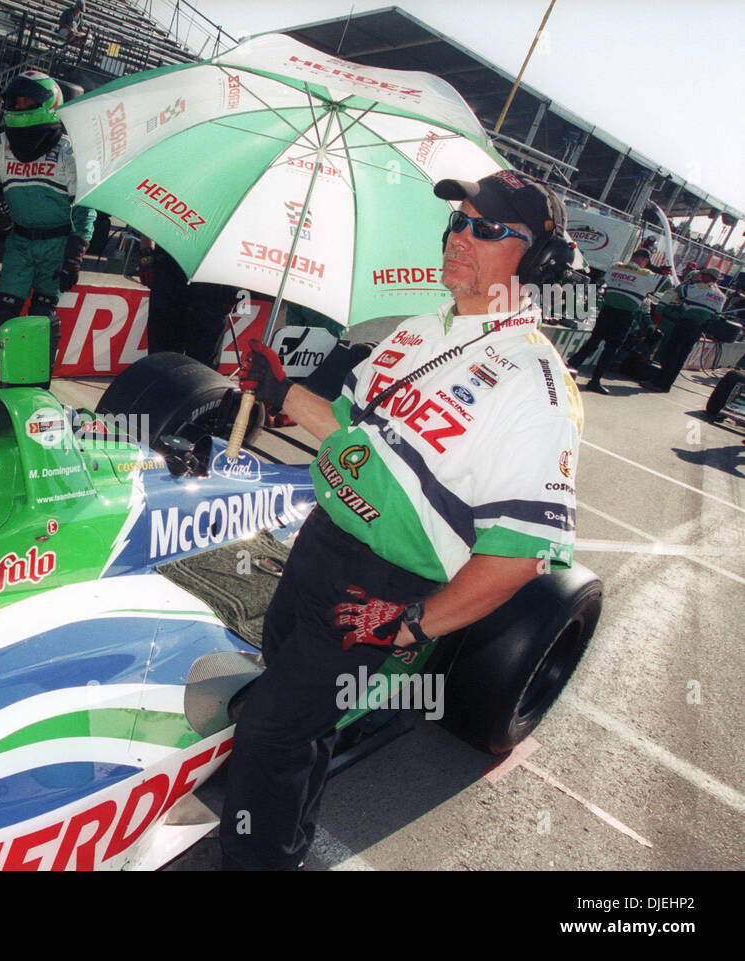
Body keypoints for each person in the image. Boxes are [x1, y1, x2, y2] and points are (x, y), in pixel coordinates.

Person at [220, 170, 583, 870]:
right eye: (458, 221)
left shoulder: (538, 389)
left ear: (535, 261)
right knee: (296, 720)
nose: (460, 236)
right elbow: (355, 433)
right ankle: (288, 843)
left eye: (485, 228)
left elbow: (519, 557)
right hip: (317, 546)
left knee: (267, 733)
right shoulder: (420, 328)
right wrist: (282, 391)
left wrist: (411, 622)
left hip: (378, 588)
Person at [0, 70, 96, 364]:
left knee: (42, 315)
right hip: (19, 241)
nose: (18, 106)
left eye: (26, 101)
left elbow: (86, 206)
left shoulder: (68, 151)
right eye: (15, 100)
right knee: (4, 312)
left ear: (48, 104)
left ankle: (37, 375)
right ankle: (3, 371)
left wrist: (75, 255)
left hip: (57, 244)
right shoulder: (1, 144)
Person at [566, 248, 663, 393]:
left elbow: (607, 280)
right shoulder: (646, 274)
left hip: (607, 310)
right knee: (611, 349)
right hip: (624, 315)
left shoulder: (616, 266)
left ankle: (569, 367)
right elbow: (666, 284)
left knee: (593, 341)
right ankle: (595, 381)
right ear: (645, 261)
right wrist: (654, 269)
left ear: (632, 256)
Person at [135, 237, 239, 370]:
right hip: (171, 272)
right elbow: (153, 219)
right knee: (161, 363)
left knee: (202, 371)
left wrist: (237, 288)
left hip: (215, 285)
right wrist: (146, 255)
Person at [642, 266, 727, 392]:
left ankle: (658, 382)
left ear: (708, 277)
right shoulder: (721, 296)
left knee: (670, 354)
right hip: (698, 329)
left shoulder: (700, 287)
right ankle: (667, 385)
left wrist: (690, 280)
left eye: (703, 275)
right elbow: (716, 316)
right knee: (681, 357)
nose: (701, 277)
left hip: (686, 323)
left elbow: (679, 290)